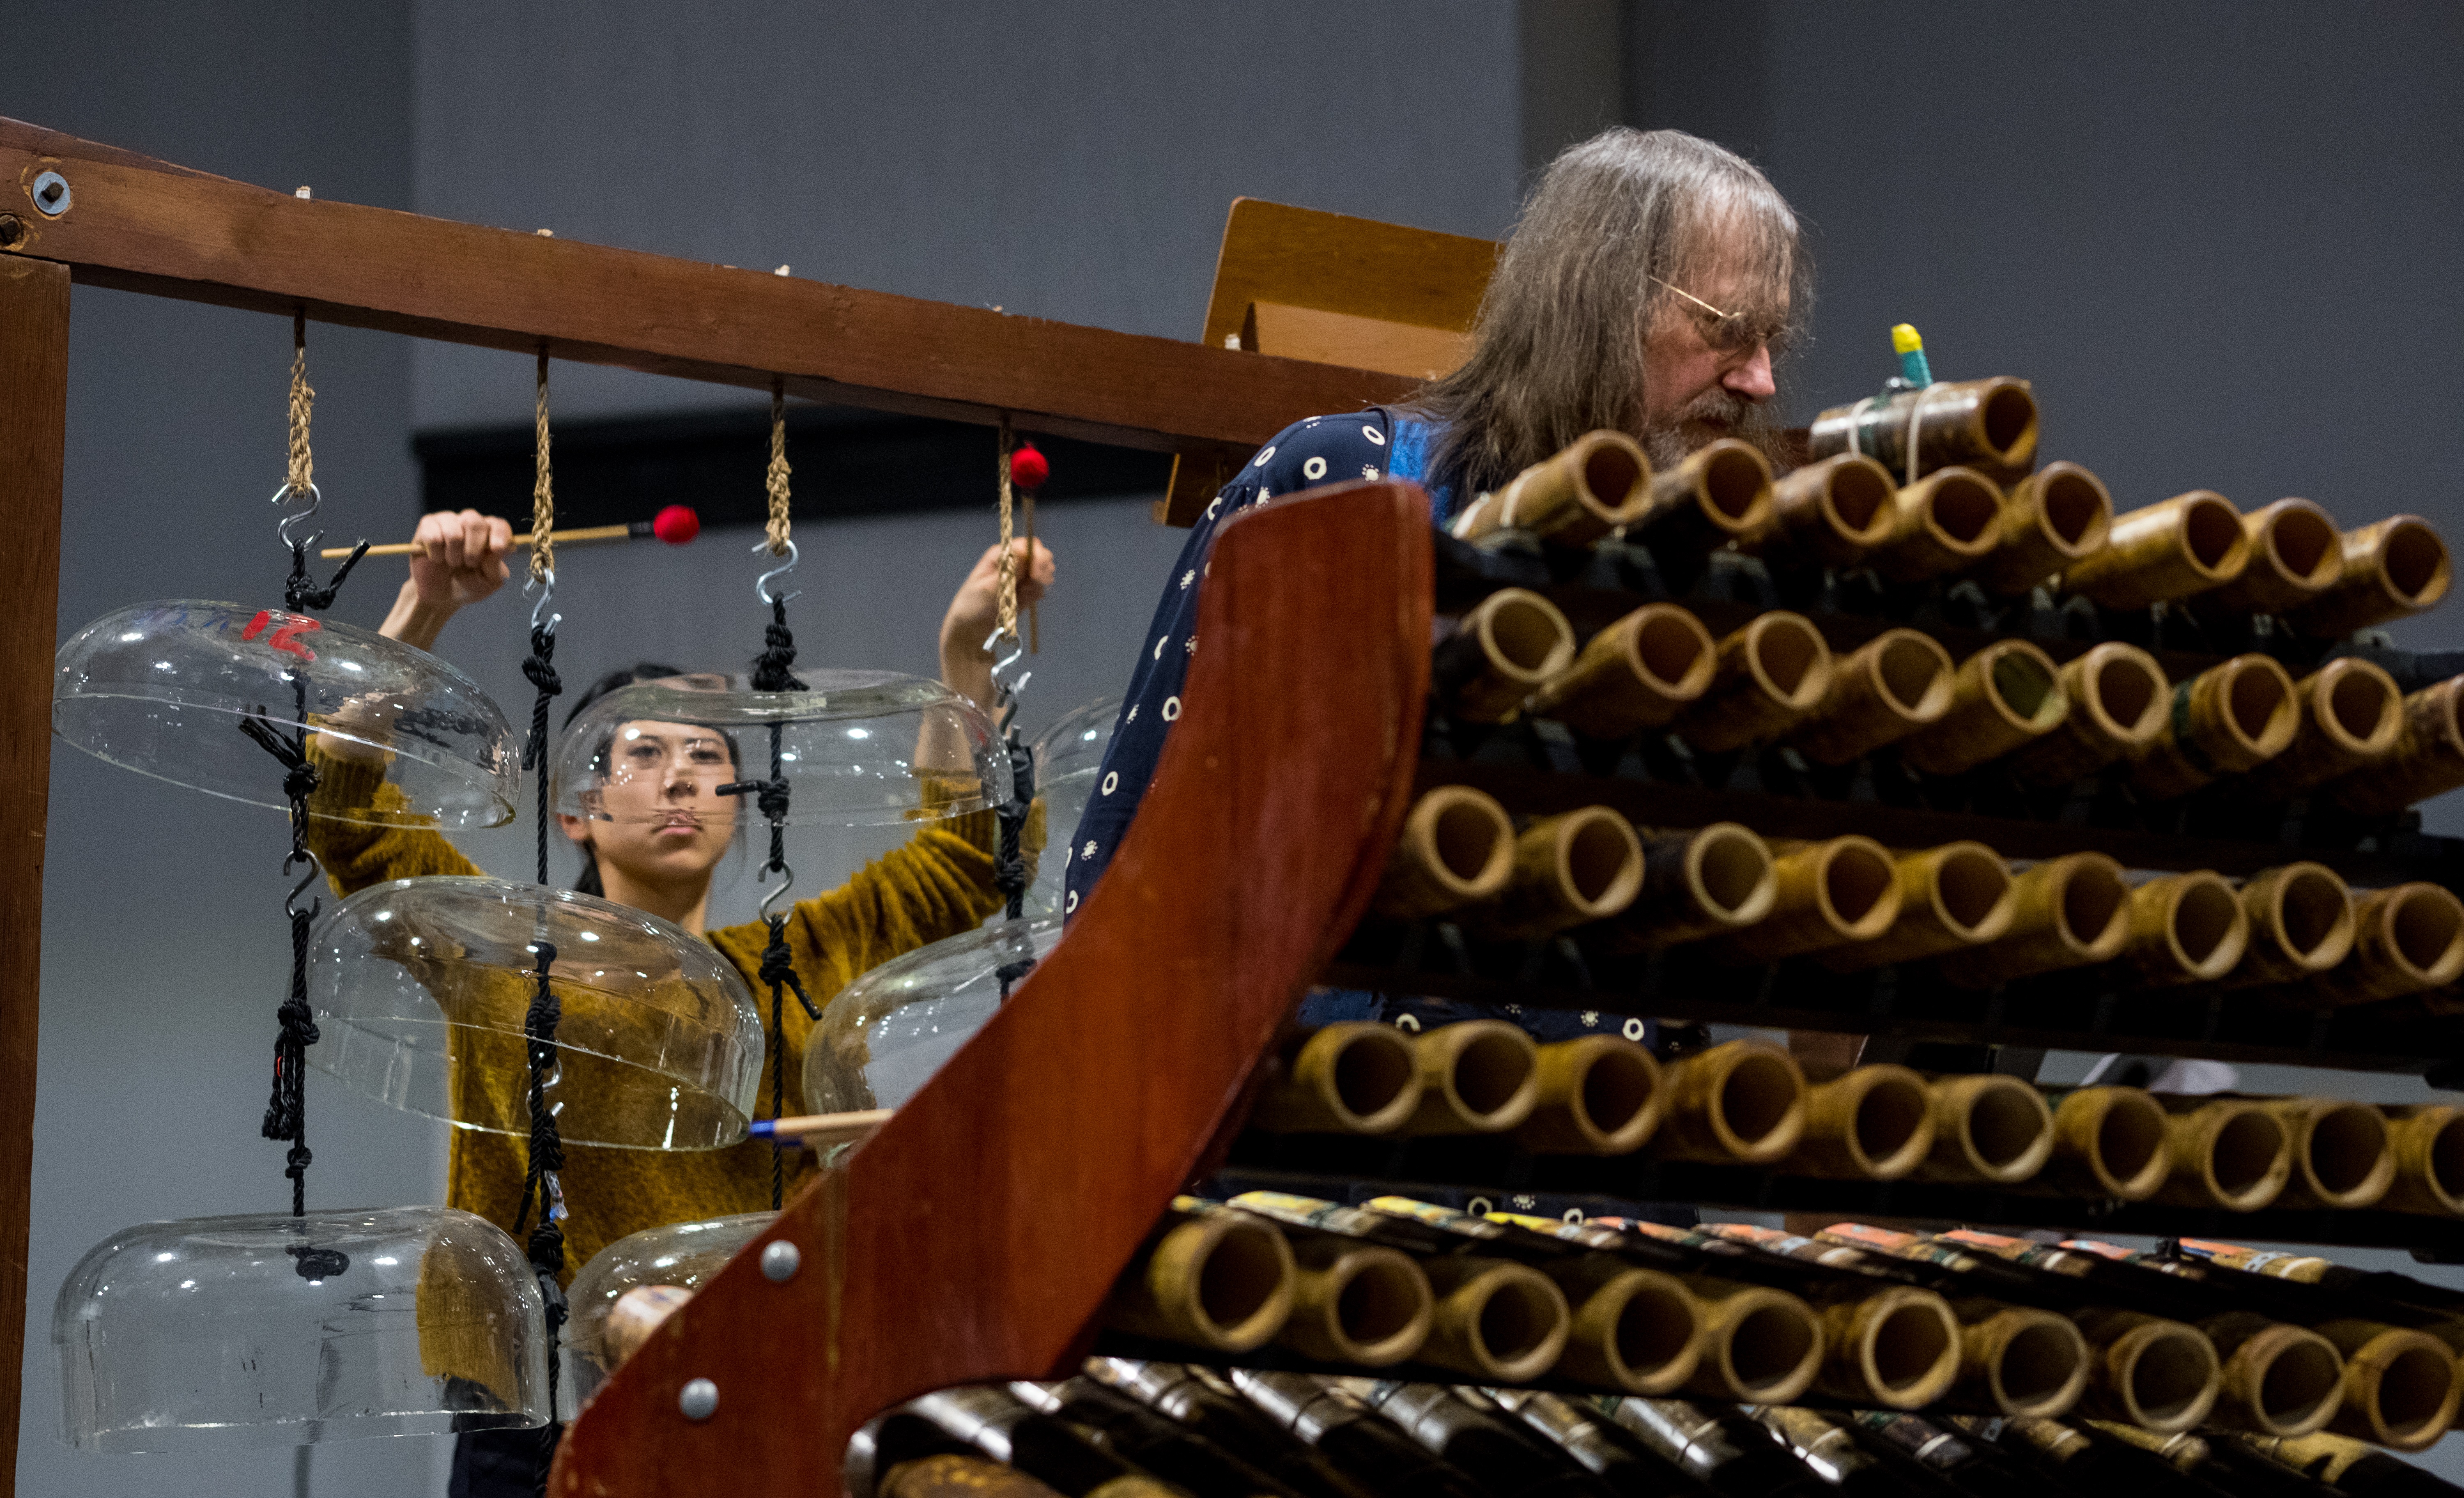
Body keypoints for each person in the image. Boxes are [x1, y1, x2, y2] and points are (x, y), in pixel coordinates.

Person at [306, 509, 1053, 1496]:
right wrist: (425, 606)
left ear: (739, 807)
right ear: (577, 809)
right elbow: (342, 805)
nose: (682, 781)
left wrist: (964, 653)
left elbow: (967, 859)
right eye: (644, 754)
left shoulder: (795, 961)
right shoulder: (502, 953)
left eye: (708, 761)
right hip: (542, 1407)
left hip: (756, 1375)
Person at [1063, 127, 1804, 1047]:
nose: (1761, 379)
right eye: (1728, 331)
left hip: (1615, 1168)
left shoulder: (1709, 571)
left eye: (1772, 339)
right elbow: (1129, 867)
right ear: (1598, 306)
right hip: (1335, 1162)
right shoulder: (1342, 486)